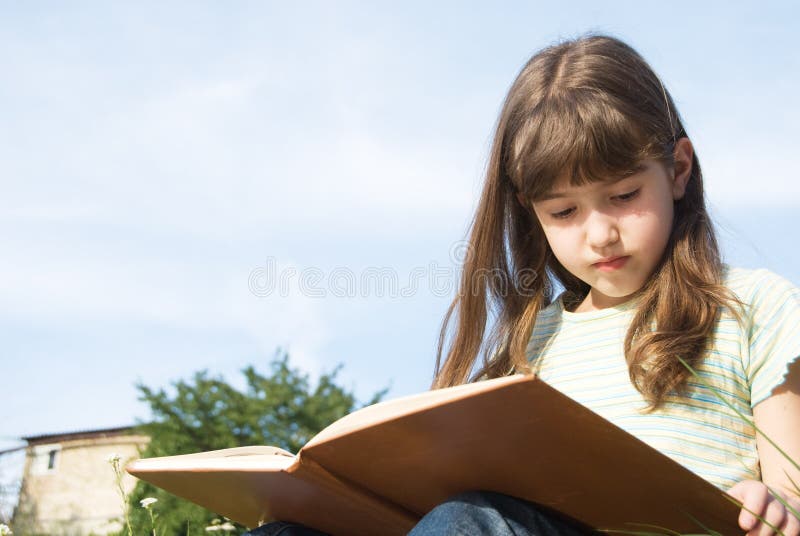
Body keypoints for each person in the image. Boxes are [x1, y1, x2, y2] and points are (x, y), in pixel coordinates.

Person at [245, 33, 800, 536]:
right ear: (530, 212)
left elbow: (791, 493)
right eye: (563, 211)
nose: (600, 234)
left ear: (678, 170)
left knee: (469, 520)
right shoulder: (535, 343)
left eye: (625, 196)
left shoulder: (753, 305)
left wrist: (770, 505)